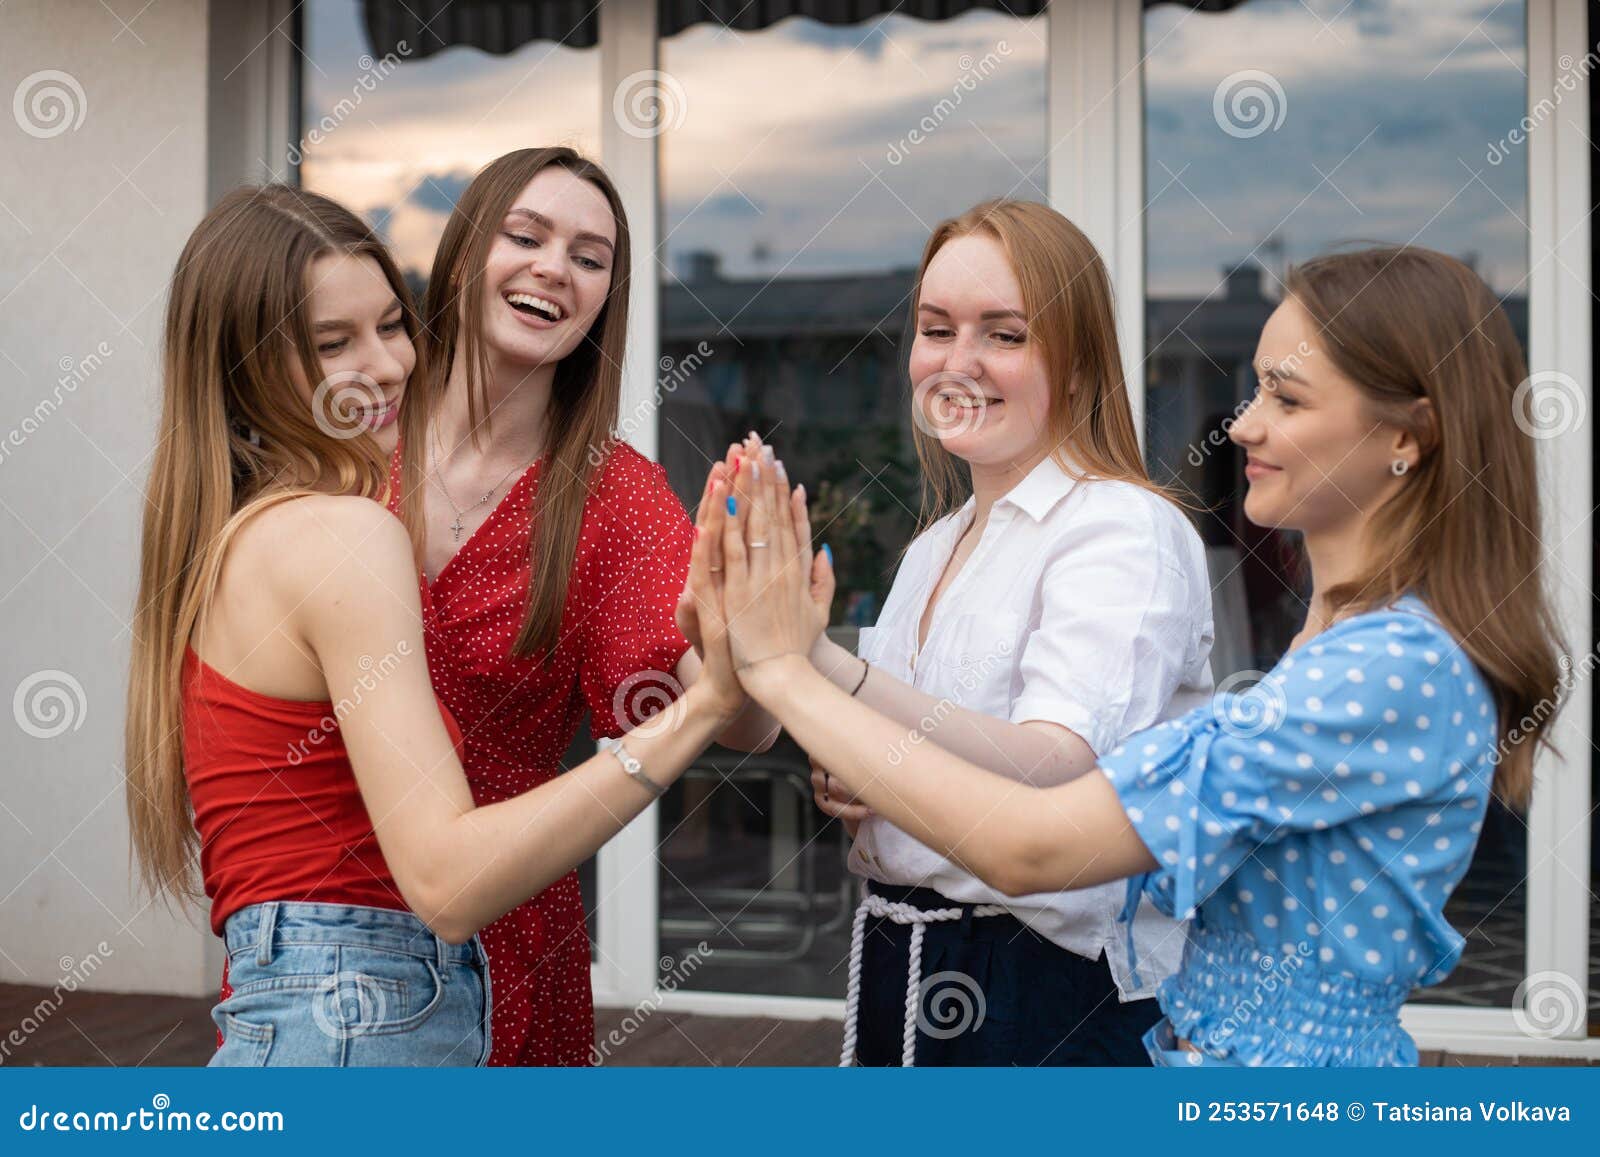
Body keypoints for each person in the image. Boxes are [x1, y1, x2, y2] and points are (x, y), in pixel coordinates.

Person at [710, 245, 1564, 1066]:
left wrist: (789, 667)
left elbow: (1033, 840)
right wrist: (813, 675)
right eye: (1258, 387)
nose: (1243, 422)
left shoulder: (1389, 666)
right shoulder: (1343, 640)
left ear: (1406, 436)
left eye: (1289, 398)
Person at [124, 184, 747, 1066]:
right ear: (244, 368)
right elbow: (449, 884)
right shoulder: (348, 532)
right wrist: (701, 709)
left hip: (294, 1007)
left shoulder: (237, 533)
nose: (385, 365)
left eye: (390, 325)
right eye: (332, 344)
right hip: (369, 1009)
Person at [386, 147, 777, 1065]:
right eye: (526, 236)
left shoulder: (615, 495)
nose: (554, 267)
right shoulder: (352, 448)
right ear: (463, 256)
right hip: (318, 930)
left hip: (506, 943)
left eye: (591, 256)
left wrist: (746, 640)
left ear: (607, 297)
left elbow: (741, 726)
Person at [802, 199, 1214, 1065]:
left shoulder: (1120, 527)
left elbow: (1055, 760)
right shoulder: (932, 546)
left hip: (1042, 985)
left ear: (1076, 363)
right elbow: (911, 740)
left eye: (1006, 334)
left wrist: (822, 669)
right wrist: (852, 772)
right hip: (894, 952)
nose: (959, 364)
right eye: (935, 328)